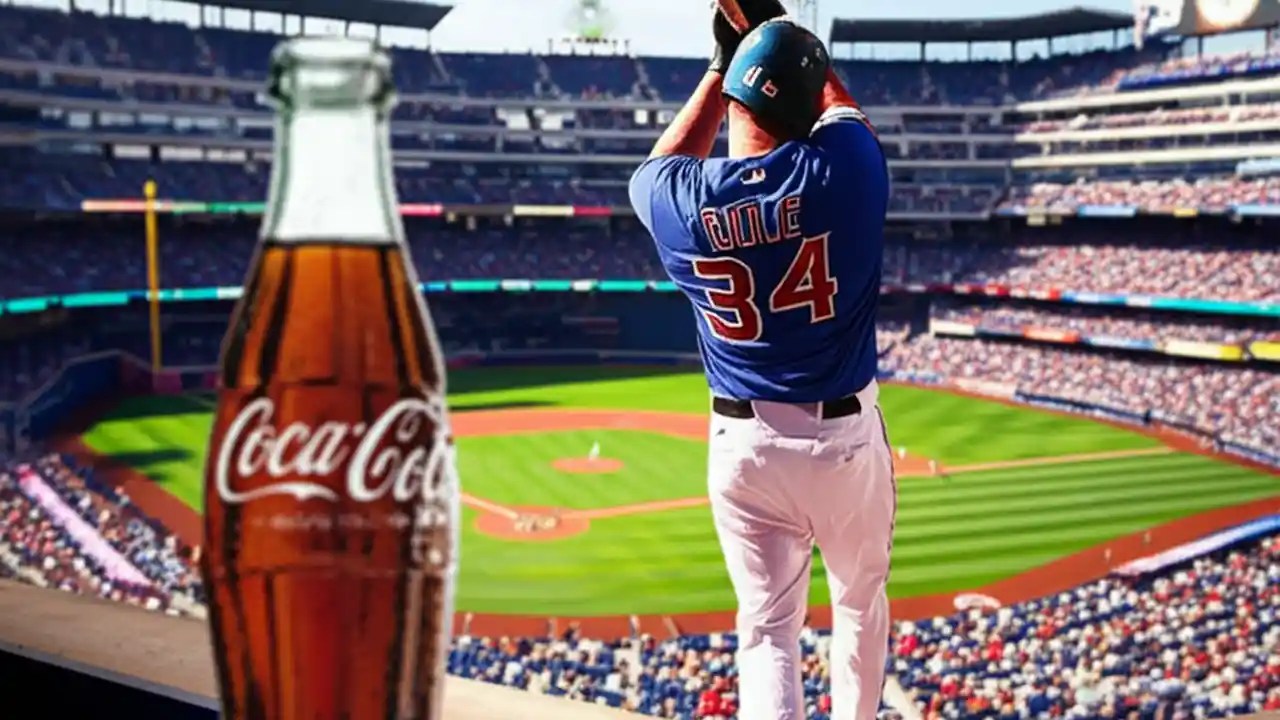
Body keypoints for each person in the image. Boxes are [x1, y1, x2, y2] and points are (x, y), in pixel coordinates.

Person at [628, 5, 895, 719]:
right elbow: (844, 113)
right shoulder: (846, 175)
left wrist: (721, 69)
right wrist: (781, 33)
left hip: (742, 446)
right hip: (842, 443)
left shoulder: (681, 202)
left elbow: (655, 166)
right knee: (859, 601)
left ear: (735, 101)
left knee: (768, 630)